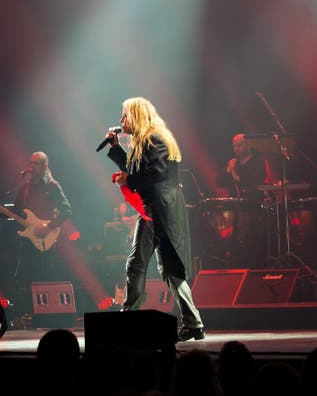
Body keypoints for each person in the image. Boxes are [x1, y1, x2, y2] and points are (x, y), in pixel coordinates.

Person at [101, 97, 205, 341]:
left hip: (161, 209)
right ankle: (193, 323)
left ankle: (131, 317)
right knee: (165, 269)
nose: (121, 120)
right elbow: (136, 168)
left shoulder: (153, 139)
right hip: (155, 209)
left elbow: (155, 174)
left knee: (145, 265)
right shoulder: (144, 141)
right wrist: (116, 148)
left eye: (124, 115)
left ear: (136, 115)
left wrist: (129, 180)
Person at [11, 151, 73, 313]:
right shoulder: (24, 188)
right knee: (23, 277)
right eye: (30, 163)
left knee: (45, 276)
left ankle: (47, 312)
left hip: (47, 239)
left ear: (44, 166)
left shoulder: (52, 186)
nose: (31, 166)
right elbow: (17, 212)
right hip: (28, 240)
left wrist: (49, 226)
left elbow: (67, 210)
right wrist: (0, 212)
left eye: (35, 163)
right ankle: (29, 314)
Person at [225, 133, 270, 268]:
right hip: (238, 210)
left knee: (252, 243)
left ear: (248, 145)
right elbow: (220, 181)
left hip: (254, 209)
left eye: (239, 145)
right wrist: (228, 170)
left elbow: (253, 182)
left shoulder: (258, 162)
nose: (236, 149)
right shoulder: (235, 164)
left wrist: (234, 174)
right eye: (234, 146)